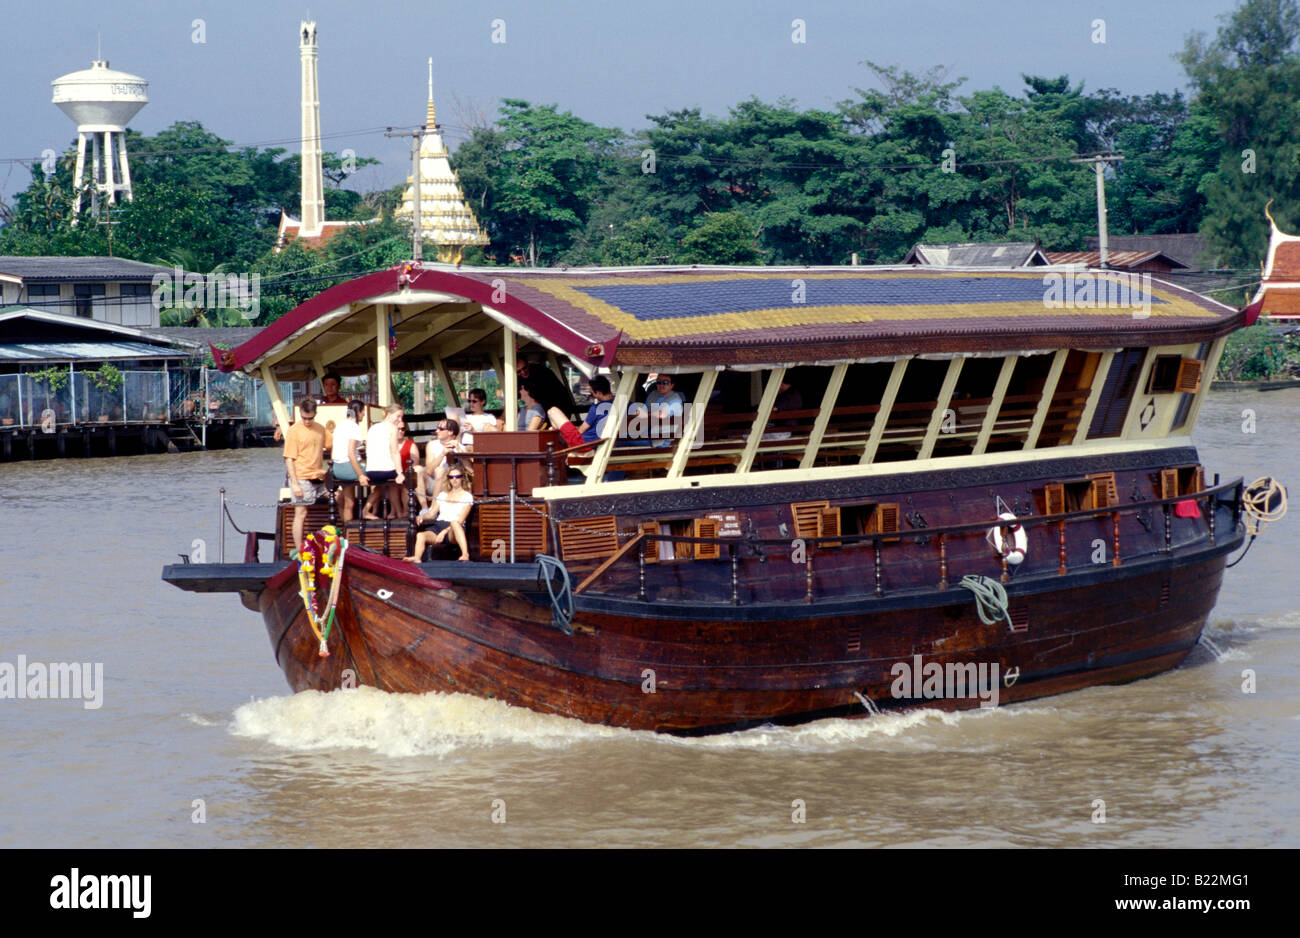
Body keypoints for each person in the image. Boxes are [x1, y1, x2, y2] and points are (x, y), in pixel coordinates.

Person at [283, 396, 328, 553]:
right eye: (304, 418)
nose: (307, 421)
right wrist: (294, 483)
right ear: (300, 413)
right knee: (301, 512)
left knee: (340, 499)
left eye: (310, 418)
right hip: (301, 475)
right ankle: (299, 549)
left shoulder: (320, 429)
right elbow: (289, 458)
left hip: (319, 476)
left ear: (315, 414)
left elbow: (331, 445)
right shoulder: (294, 431)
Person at [404, 465, 474, 563]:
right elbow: (432, 513)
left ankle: (465, 554)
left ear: (462, 478)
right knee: (421, 535)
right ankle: (417, 557)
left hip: (453, 529)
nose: (454, 479)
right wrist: (421, 516)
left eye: (457, 477)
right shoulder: (443, 495)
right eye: (451, 477)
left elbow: (461, 520)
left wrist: (444, 532)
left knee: (455, 523)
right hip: (439, 525)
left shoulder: (467, 496)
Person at [361, 403, 406, 519]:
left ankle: (366, 510)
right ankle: (399, 512)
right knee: (397, 482)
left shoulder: (373, 427)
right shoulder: (392, 428)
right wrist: (400, 473)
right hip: (385, 470)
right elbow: (395, 452)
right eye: (398, 416)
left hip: (371, 470)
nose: (399, 420)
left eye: (401, 417)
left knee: (380, 486)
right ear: (389, 414)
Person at [274, 371, 346, 441]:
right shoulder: (318, 403)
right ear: (323, 386)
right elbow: (303, 416)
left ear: (339, 386)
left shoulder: (344, 405)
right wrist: (282, 427)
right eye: (326, 385)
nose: (329, 387)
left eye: (333, 384)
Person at [330, 400, 367, 522]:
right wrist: (361, 475)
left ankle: (346, 531)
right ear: (358, 412)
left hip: (337, 467)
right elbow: (351, 453)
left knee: (349, 502)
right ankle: (369, 509)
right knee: (377, 476)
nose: (364, 415)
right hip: (348, 468)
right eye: (363, 412)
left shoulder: (340, 425)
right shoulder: (354, 427)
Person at [421, 417, 463, 510]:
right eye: (437, 428)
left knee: (440, 470)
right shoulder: (432, 445)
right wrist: (442, 454)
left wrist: (460, 452)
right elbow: (428, 470)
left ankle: (433, 509)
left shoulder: (460, 446)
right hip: (432, 481)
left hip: (450, 482)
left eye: (441, 429)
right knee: (418, 470)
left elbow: (470, 470)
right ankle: (425, 508)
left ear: (450, 432)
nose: (437, 431)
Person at [645, 374, 684, 448]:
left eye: (665, 382)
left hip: (662, 441)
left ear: (672, 385)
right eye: (659, 382)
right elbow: (644, 409)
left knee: (621, 443)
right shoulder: (653, 395)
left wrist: (642, 414)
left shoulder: (675, 399)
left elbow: (661, 414)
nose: (661, 385)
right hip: (647, 434)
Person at [577, 376, 614, 443]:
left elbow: (581, 430)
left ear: (599, 393)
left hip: (590, 443)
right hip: (608, 441)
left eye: (592, 393)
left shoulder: (596, 408)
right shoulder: (623, 404)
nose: (592, 395)